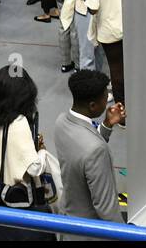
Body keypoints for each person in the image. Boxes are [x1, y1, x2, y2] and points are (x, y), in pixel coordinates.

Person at [0, 66, 61, 240]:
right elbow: (34, 168)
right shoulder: (19, 122)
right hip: (24, 200)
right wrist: (42, 152)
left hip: (0, 193)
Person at [52, 69, 126, 235]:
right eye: (105, 99)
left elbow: (82, 146)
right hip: (89, 232)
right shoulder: (97, 151)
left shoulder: (61, 122)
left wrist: (107, 124)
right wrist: (125, 233)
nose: (108, 102)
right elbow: (106, 209)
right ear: (93, 106)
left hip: (67, 219)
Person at [86, 0, 125, 106]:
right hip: (132, 27)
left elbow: (93, 8)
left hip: (109, 32)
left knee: (116, 71)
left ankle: (122, 111)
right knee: (132, 68)